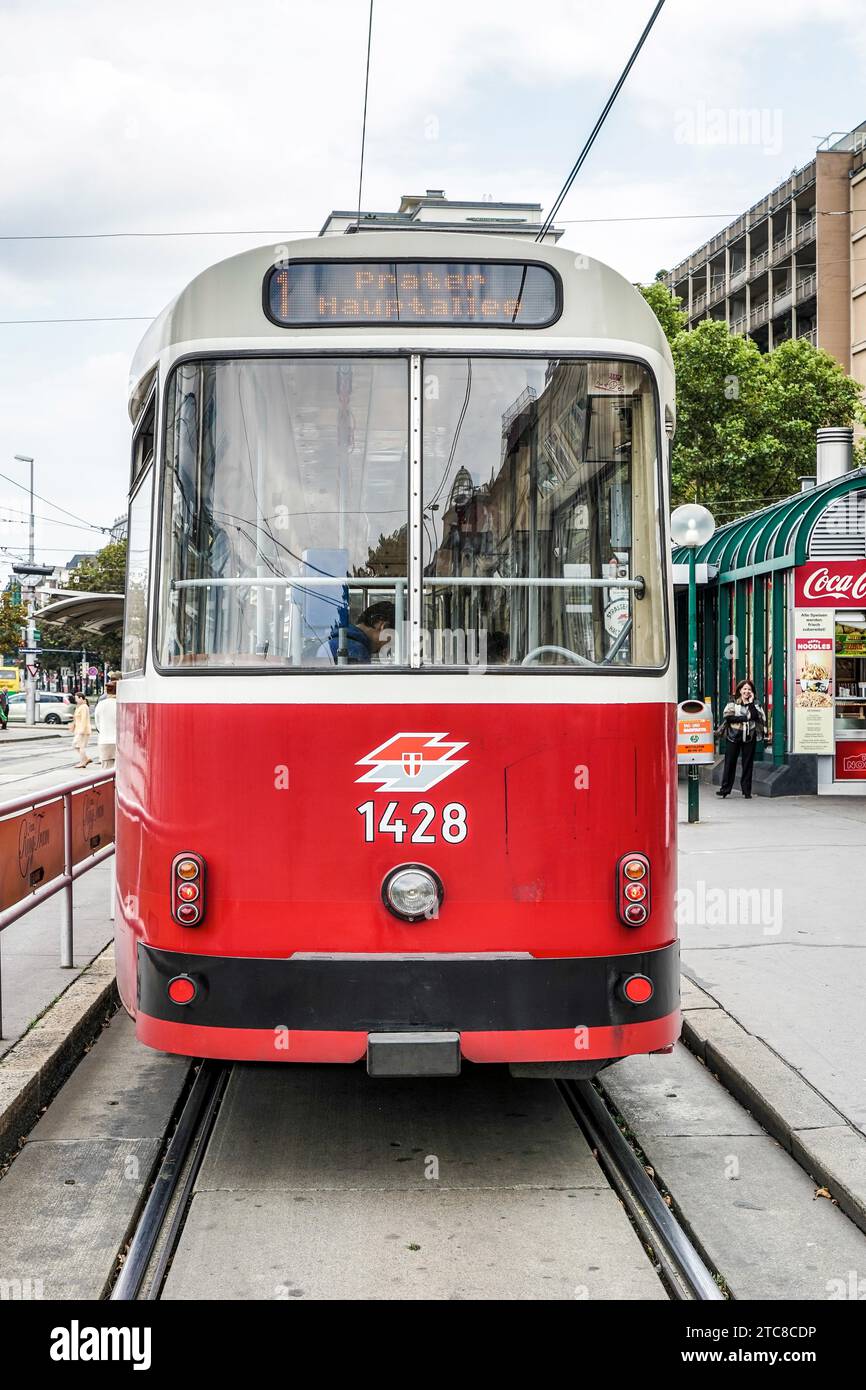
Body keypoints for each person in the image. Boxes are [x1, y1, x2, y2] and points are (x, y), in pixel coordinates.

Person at [715, 679, 767, 799]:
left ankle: (746, 791)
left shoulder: (756, 703)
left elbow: (755, 716)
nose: (747, 691)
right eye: (744, 689)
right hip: (733, 736)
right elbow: (729, 717)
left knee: (747, 764)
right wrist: (745, 718)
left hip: (749, 737)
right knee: (730, 763)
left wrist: (750, 703)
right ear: (739, 690)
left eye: (749, 689)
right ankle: (725, 789)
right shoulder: (733, 702)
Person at [321, 601, 395, 664]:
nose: (391, 647)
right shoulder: (356, 650)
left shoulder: (339, 640)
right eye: (393, 640)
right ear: (384, 627)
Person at [94, 681, 117, 768]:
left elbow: (97, 723)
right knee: (119, 770)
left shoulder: (101, 704)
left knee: (106, 769)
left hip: (104, 740)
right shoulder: (120, 704)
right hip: (118, 741)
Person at [71, 692, 93, 768]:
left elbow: (84, 719)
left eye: (76, 698)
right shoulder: (80, 706)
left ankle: (83, 762)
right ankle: (86, 759)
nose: (75, 700)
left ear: (80, 698)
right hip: (79, 730)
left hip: (83, 730)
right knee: (75, 745)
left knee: (81, 746)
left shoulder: (84, 707)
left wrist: (82, 730)